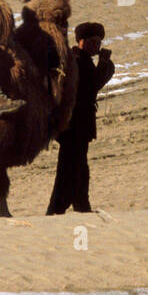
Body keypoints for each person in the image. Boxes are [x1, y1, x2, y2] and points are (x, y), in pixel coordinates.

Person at [47, 22, 114, 214]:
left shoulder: (76, 58)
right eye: (92, 41)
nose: (96, 45)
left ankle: (81, 204)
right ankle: (56, 209)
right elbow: (90, 88)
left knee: (79, 166)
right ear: (81, 41)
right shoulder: (78, 60)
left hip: (74, 125)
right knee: (71, 166)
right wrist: (105, 65)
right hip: (74, 125)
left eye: (98, 42)